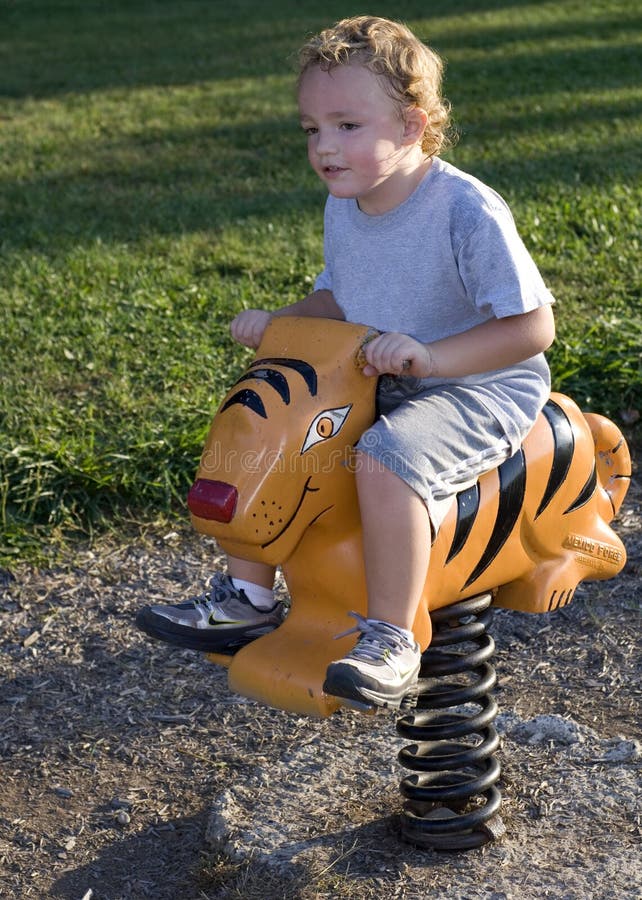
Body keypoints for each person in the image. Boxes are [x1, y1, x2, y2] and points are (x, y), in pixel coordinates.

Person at [136, 15, 555, 711]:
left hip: (480, 383)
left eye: (347, 127)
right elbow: (343, 294)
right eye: (311, 130)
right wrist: (285, 324)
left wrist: (431, 355)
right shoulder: (349, 205)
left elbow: (532, 327)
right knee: (282, 427)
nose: (324, 147)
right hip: (391, 373)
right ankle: (247, 596)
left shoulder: (465, 210)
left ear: (413, 125)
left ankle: (393, 637)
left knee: (386, 458)